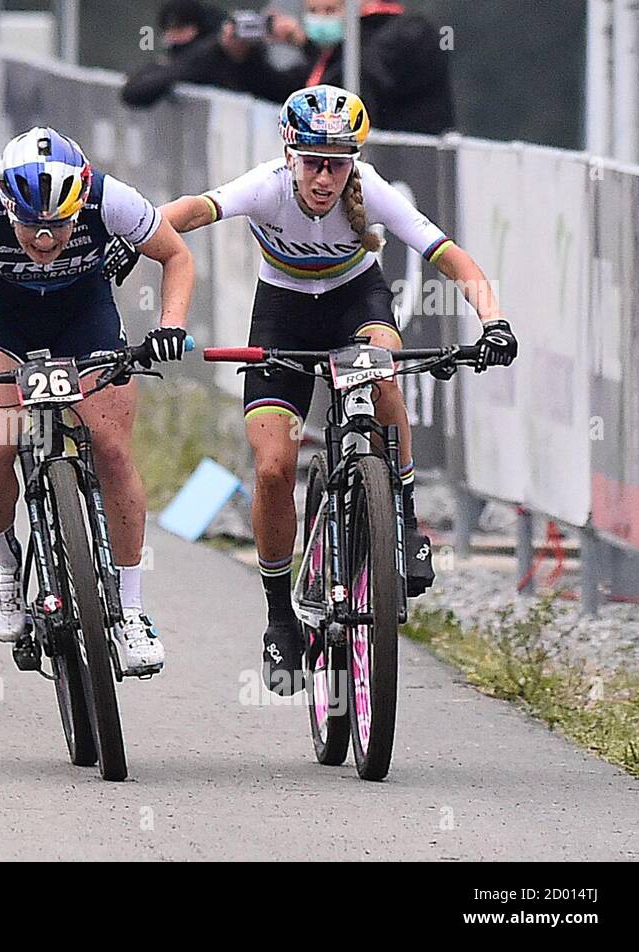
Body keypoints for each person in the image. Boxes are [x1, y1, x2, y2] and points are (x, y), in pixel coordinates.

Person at [151, 85, 513, 693]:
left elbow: (452, 258)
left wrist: (494, 320)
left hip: (355, 304)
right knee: (271, 470)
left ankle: (402, 520)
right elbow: (187, 212)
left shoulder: (370, 192)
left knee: (381, 364)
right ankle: (278, 617)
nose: (324, 176)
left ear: (353, 161)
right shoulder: (265, 186)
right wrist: (128, 243)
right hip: (282, 315)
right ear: (290, 153)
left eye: (337, 162)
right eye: (313, 160)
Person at [0, 127, 194, 676]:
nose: (45, 241)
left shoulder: (108, 198)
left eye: (58, 226)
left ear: (80, 202)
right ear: (7, 207)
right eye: (30, 227)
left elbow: (176, 256)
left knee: (114, 452)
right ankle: (5, 565)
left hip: (85, 318)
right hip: (1, 324)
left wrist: (170, 325)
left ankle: (131, 609)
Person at [221, 0, 455, 134]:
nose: (321, 20)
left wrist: (308, 46)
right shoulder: (339, 51)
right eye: (313, 11)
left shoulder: (400, 34)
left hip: (407, 159)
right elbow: (294, 91)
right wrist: (244, 58)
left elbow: (349, 91)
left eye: (330, 10)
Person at [121, 0, 241, 108]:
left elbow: (134, 93)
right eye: (170, 32)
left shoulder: (207, 57)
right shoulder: (192, 56)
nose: (173, 38)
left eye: (179, 31)